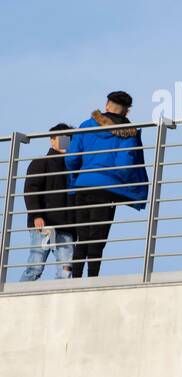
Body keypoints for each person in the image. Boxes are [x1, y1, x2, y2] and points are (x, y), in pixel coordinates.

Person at [66, 90, 149, 278]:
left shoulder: (86, 126)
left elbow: (71, 158)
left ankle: (75, 279)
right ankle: (92, 279)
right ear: (126, 112)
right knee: (98, 236)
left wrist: (77, 177)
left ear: (106, 105)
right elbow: (125, 165)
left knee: (82, 236)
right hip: (106, 190)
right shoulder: (128, 133)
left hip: (83, 186)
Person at [19, 123, 74, 281]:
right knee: (34, 269)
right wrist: (36, 215)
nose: (66, 143)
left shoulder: (73, 169)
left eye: (69, 139)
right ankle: (14, 303)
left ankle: (60, 304)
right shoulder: (40, 163)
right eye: (62, 139)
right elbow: (31, 190)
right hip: (44, 225)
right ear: (52, 141)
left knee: (66, 272)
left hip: (66, 228)